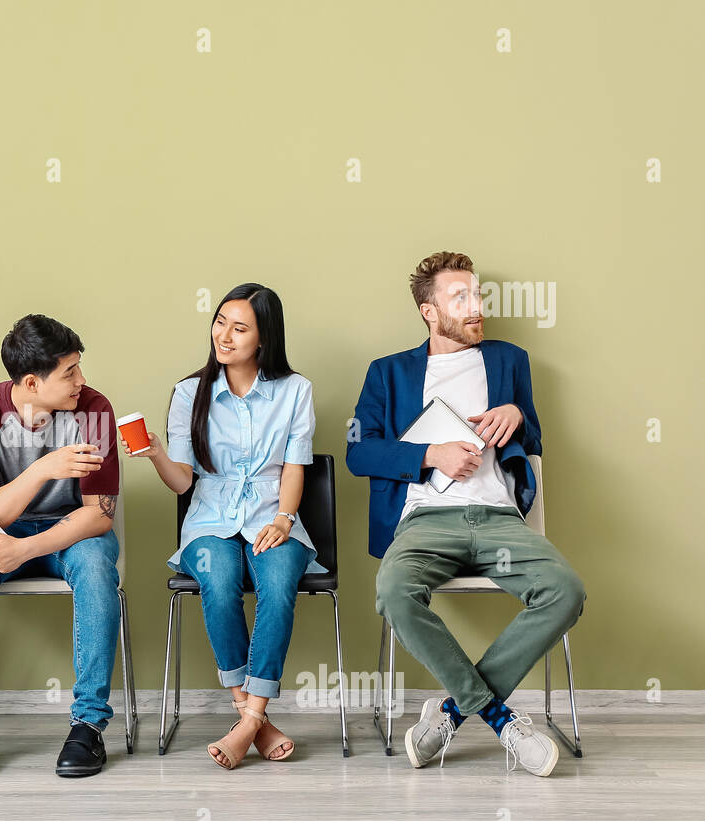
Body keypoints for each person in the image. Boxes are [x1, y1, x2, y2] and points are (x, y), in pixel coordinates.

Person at [346, 251, 586, 777]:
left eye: (478, 295)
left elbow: (534, 442)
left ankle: (453, 711)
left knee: (565, 591)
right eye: (462, 298)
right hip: (424, 523)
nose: (477, 306)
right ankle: (501, 720)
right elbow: (358, 452)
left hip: (498, 520)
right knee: (393, 592)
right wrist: (432, 455)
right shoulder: (388, 373)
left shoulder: (508, 360)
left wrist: (518, 413)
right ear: (429, 311)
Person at [125, 283, 321, 769]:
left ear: (264, 337)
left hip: (275, 517)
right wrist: (154, 454)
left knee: (278, 586)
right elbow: (181, 483)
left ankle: (248, 719)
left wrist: (283, 518)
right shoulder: (190, 392)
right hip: (208, 520)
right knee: (219, 579)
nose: (225, 336)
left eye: (240, 328)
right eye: (220, 323)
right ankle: (253, 716)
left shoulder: (295, 390)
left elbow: (295, 466)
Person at [0, 314, 121, 778]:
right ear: (30, 381)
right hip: (1, 531)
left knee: (98, 567)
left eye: (79, 368)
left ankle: (89, 725)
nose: (81, 381)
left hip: (71, 532)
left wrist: (25, 550)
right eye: (69, 373)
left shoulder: (94, 410)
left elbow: (100, 514)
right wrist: (43, 470)